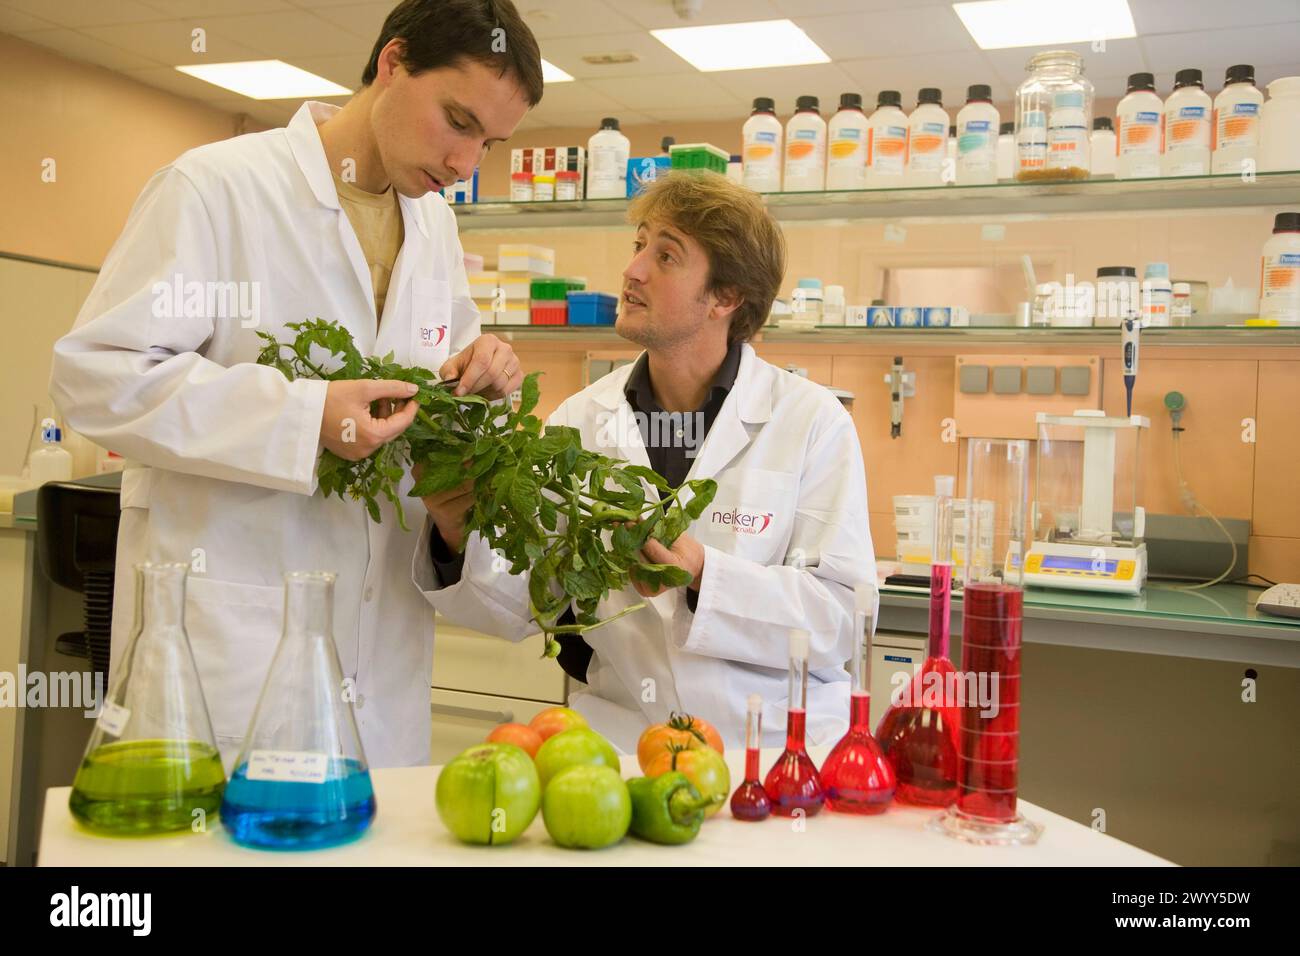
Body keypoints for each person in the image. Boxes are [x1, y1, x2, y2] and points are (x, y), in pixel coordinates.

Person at [49, 0, 542, 768]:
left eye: (489, 141)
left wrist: (481, 371)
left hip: (378, 659)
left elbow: (436, 365)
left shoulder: (435, 225)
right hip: (232, 647)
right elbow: (98, 376)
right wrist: (304, 416)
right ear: (392, 63)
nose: (464, 163)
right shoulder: (217, 188)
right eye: (457, 120)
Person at [415, 171, 876, 754]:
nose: (632, 271)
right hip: (625, 748)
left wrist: (704, 572)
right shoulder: (580, 422)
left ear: (726, 297)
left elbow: (841, 622)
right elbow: (530, 599)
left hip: (770, 752)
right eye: (639, 246)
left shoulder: (811, 421)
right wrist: (456, 534)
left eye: (666, 255)